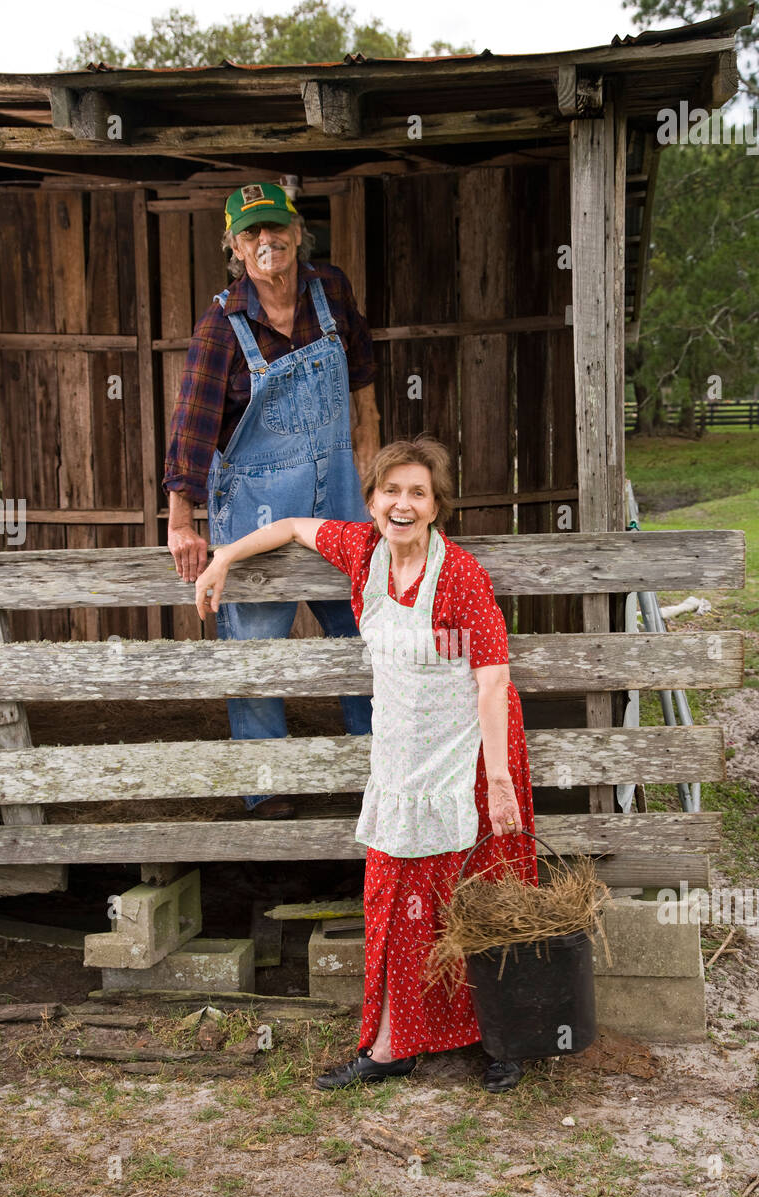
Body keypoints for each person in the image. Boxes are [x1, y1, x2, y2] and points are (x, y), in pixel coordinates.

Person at [196, 436, 539, 1093]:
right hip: (403, 756)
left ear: (437, 506)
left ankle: (505, 1037)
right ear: (373, 500)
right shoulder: (361, 552)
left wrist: (498, 782)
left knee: (481, 902)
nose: (402, 504)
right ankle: (392, 1046)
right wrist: (226, 555)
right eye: (391, 491)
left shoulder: (461, 576)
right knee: (395, 896)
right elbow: (295, 525)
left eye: (418, 492)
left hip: (473, 754)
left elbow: (493, 680)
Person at [164, 181, 379, 818]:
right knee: (256, 649)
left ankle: (378, 771)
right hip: (256, 502)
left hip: (339, 491)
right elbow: (194, 424)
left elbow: (363, 381)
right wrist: (183, 520)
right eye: (251, 233)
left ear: (296, 232)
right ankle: (269, 795)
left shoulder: (331, 290)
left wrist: (371, 480)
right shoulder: (221, 324)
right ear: (234, 246)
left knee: (365, 634)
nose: (266, 242)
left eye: (275, 228)